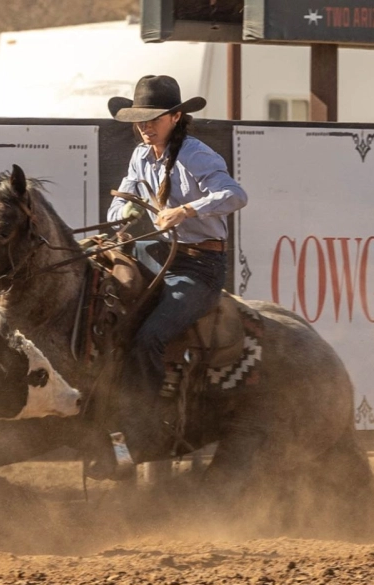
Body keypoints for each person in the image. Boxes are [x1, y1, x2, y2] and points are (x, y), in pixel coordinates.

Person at [105, 74, 248, 464]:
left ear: (176, 117)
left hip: (201, 264)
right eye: (139, 120)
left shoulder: (197, 156)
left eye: (153, 119)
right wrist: (125, 212)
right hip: (160, 252)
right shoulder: (140, 156)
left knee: (150, 336)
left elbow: (235, 195)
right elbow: (118, 205)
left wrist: (186, 209)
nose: (144, 127)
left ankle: (146, 427)